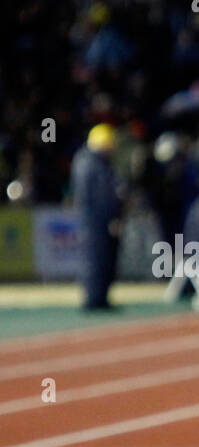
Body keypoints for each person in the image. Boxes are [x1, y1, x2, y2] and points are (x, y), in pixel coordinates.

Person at [70, 123, 122, 311]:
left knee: (104, 259)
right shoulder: (89, 163)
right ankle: (93, 298)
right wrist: (108, 216)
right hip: (94, 220)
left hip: (99, 219)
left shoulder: (96, 163)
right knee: (94, 258)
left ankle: (100, 297)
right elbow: (98, 196)